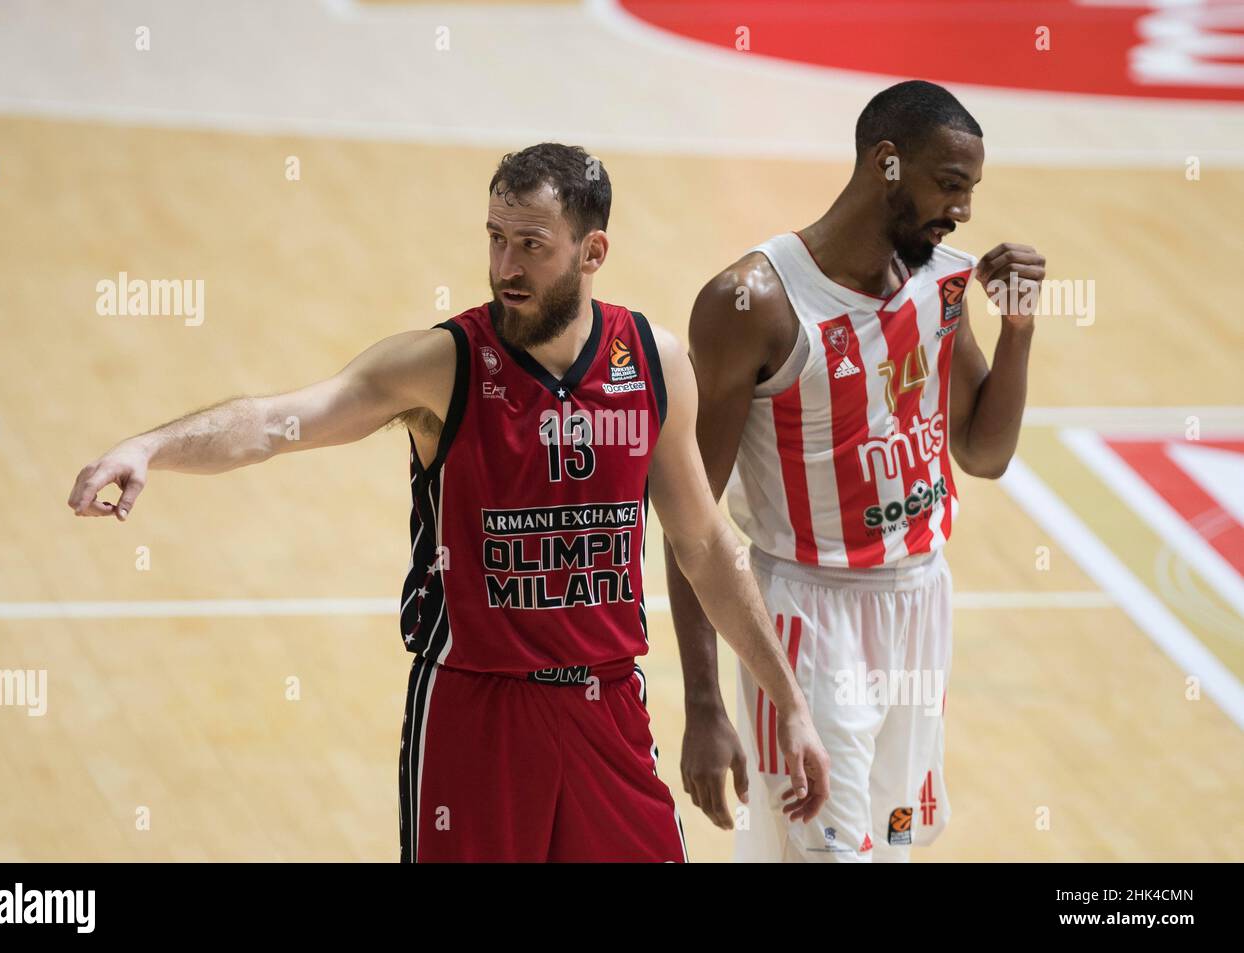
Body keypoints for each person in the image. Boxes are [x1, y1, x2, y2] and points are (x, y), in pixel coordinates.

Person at [67, 142, 831, 862]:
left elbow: (704, 545)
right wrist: (151, 447)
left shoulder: (652, 362)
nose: (506, 265)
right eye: (495, 238)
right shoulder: (445, 364)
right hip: (476, 712)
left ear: (592, 252)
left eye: (532, 243)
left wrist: (786, 699)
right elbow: (276, 422)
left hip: (608, 707)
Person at [666, 81, 1045, 862]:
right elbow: (690, 518)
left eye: (972, 192)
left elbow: (984, 453)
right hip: (807, 615)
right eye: (951, 185)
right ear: (888, 163)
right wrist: (704, 701)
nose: (964, 212)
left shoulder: (937, 283)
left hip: (919, 601)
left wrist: (1017, 330)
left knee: (883, 848)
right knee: (837, 853)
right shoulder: (753, 302)